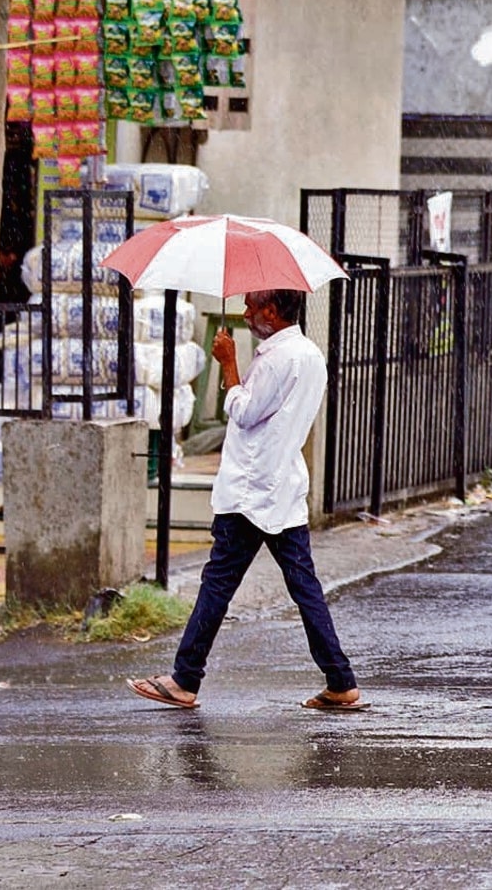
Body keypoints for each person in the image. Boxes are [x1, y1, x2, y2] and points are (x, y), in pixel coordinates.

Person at [127, 288, 365, 712]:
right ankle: (340, 679)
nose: (245, 313)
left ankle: (184, 679)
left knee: (218, 583)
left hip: (252, 489)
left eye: (252, 307)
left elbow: (244, 412)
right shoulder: (309, 355)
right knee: (303, 585)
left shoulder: (274, 359)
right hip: (282, 487)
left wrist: (229, 365)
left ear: (271, 312)